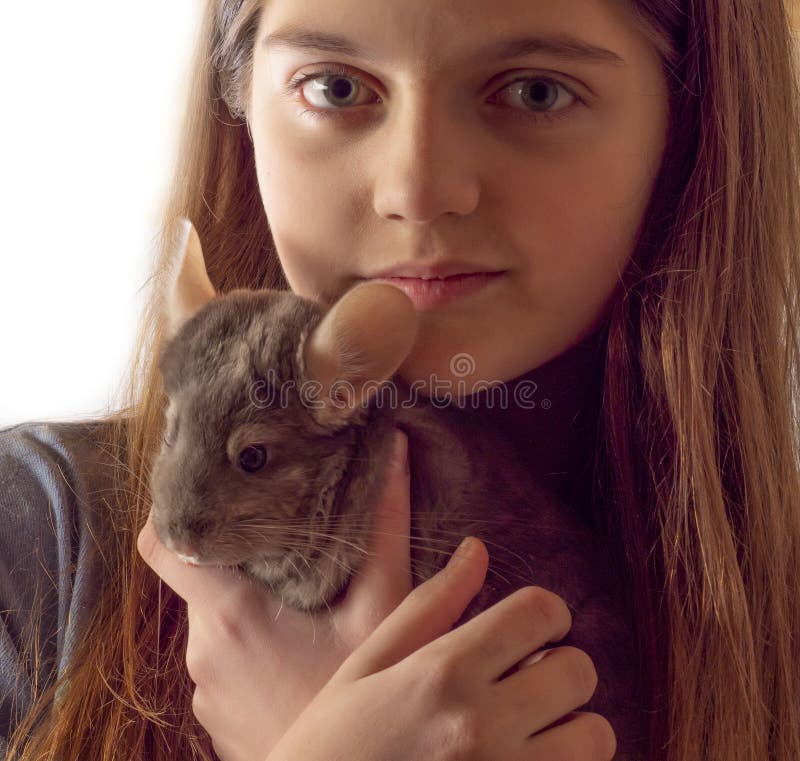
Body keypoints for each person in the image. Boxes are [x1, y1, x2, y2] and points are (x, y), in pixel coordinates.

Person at [1, 0, 799, 759]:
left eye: (535, 90)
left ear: (688, 122)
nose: (415, 193)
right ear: (241, 102)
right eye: (335, 87)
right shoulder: (37, 535)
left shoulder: (772, 619)